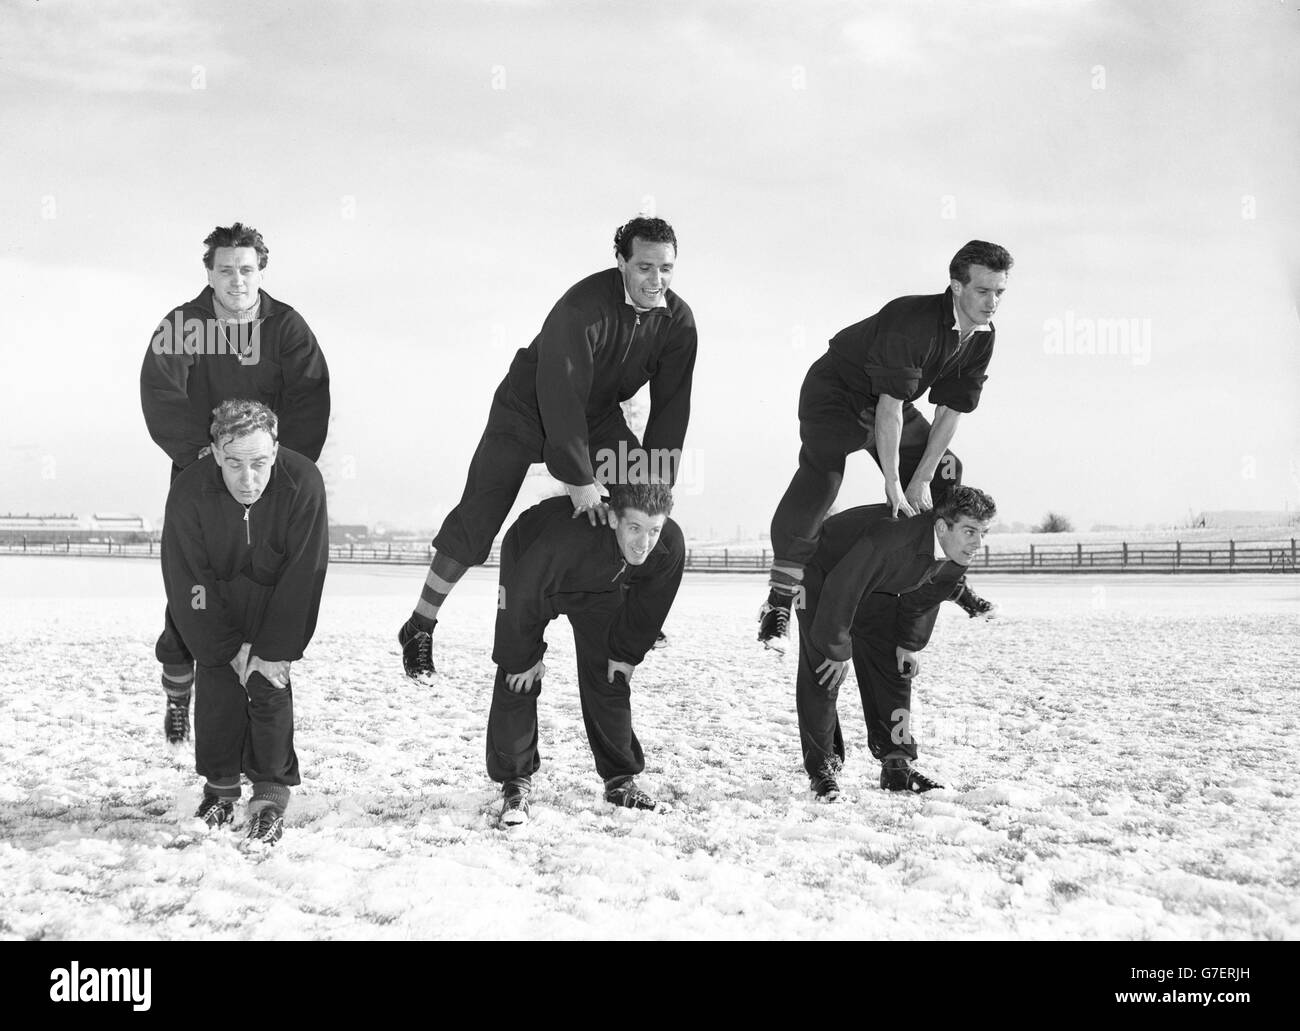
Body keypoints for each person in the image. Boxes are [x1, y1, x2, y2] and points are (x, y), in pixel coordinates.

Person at [397, 217, 697, 679]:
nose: (656, 280)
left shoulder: (677, 322)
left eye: (666, 269)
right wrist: (579, 479)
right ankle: (420, 624)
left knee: (640, 486)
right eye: (644, 267)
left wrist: (658, 486)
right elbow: (560, 395)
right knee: (478, 521)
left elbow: (671, 410)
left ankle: (628, 608)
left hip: (597, 418)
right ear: (621, 262)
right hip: (526, 409)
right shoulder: (580, 309)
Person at [760, 241, 1012, 650]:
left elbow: (951, 411)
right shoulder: (910, 319)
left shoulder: (983, 336)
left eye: (1000, 292)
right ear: (956, 287)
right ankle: (779, 601)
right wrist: (896, 480)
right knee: (824, 477)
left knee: (948, 471)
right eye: (983, 291)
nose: (993, 302)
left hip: (888, 405)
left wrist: (923, 477)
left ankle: (946, 582)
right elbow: (890, 409)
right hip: (837, 396)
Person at [142, 222, 330, 745]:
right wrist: (204, 456)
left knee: (262, 583)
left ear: (260, 271)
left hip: (264, 479)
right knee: (191, 592)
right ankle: (179, 689)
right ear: (210, 272)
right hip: (202, 476)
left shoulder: (286, 326)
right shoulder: (183, 325)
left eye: (246, 269)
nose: (237, 280)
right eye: (226, 270)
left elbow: (310, 398)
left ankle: (261, 704)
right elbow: (161, 393)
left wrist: (283, 468)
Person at [160, 399, 329, 845]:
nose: (247, 479)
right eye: (234, 463)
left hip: (277, 597)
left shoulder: (304, 483)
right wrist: (224, 646)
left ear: (275, 451)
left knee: (269, 682)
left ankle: (269, 798)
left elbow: (305, 575)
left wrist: (273, 651)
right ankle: (219, 789)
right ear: (215, 452)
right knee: (218, 682)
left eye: (259, 463)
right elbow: (186, 578)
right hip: (212, 600)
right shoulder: (189, 491)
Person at [485, 483, 684, 827]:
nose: (644, 542)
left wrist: (626, 653)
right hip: (536, 575)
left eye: (653, 530)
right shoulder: (558, 543)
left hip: (599, 584)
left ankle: (620, 780)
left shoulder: (669, 544)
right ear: (613, 520)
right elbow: (520, 597)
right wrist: (522, 657)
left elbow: (652, 604)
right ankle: (515, 783)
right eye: (634, 528)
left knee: (610, 672)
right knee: (519, 676)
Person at [792, 486, 997, 800]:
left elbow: (922, 600)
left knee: (895, 668)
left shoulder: (956, 554)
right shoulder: (893, 540)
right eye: (970, 531)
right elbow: (843, 585)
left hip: (875, 583)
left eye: (983, 532)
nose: (978, 543)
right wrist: (835, 648)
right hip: (821, 574)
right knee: (825, 670)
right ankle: (822, 767)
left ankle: (897, 766)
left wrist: (908, 643)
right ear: (943, 527)